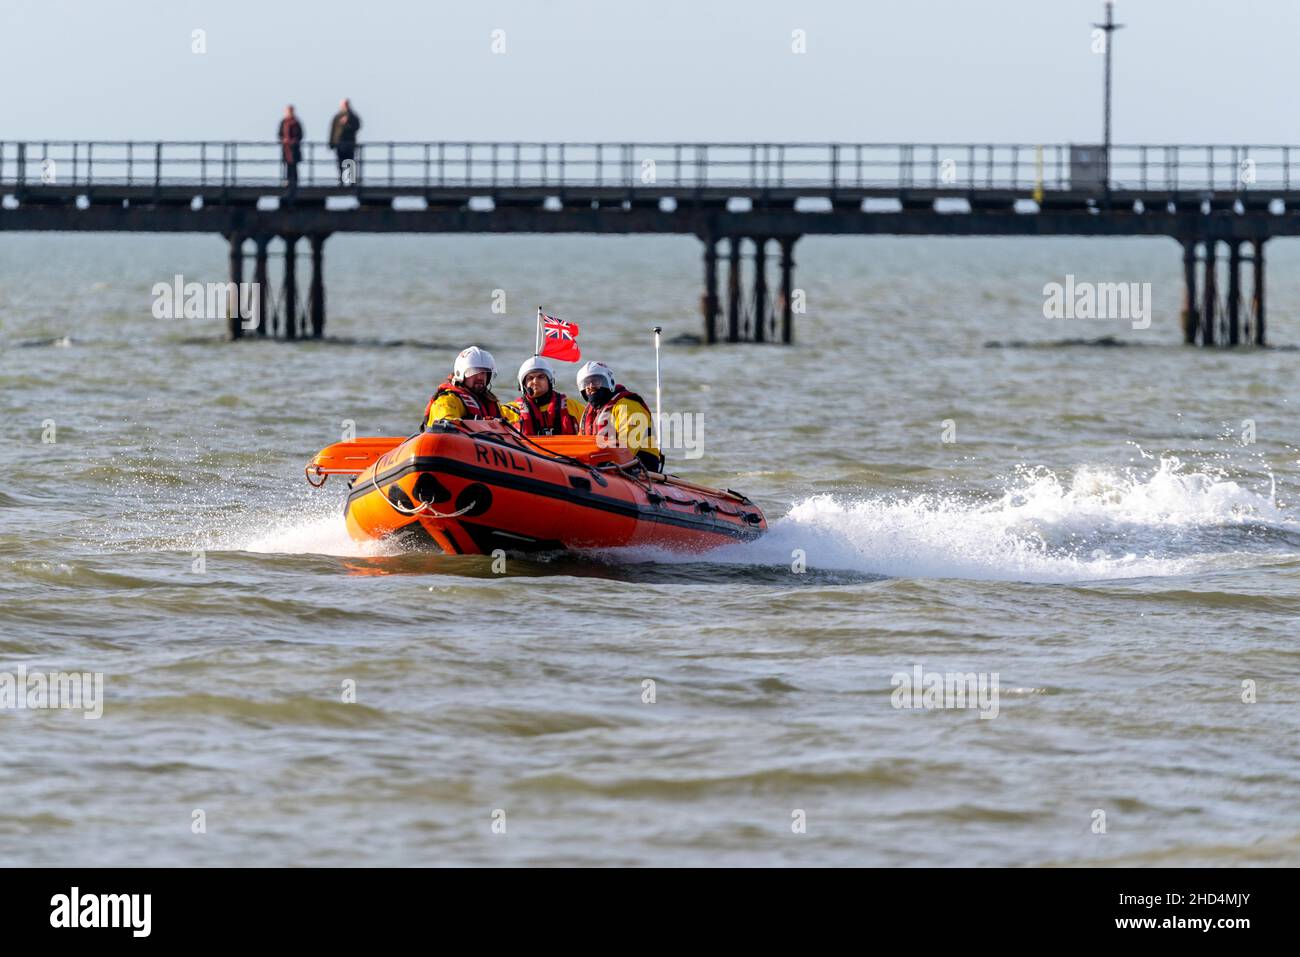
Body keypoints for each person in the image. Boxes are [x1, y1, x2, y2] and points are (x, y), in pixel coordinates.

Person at [575, 361, 663, 471]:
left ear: (607, 381)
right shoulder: (589, 412)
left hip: (638, 464)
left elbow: (628, 447)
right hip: (600, 465)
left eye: (595, 381)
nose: (590, 386)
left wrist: (609, 463)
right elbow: (580, 444)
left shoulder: (627, 404)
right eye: (586, 383)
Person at [423, 346, 518, 428]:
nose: (480, 377)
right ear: (461, 374)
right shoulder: (447, 400)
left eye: (484, 373)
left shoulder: (490, 401)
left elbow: (507, 419)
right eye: (474, 372)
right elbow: (446, 424)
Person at [509, 356, 584, 436]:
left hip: (566, 448)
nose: (535, 381)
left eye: (540, 377)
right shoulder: (512, 410)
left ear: (550, 381)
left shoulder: (572, 407)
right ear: (523, 385)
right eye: (530, 378)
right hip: (525, 448)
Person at [328, 99, 362, 184]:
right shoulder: (337, 117)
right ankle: (341, 180)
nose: (345, 106)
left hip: (349, 143)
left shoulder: (353, 116)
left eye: (346, 105)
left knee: (350, 161)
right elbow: (332, 130)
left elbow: (357, 126)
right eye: (343, 105)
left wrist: (348, 122)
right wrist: (331, 143)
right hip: (339, 143)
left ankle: (351, 181)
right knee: (340, 161)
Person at [277, 105, 304, 192]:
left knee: (294, 165)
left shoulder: (296, 122)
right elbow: (280, 134)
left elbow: (300, 135)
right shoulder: (283, 122)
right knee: (287, 165)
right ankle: (287, 181)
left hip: (294, 148)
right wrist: (283, 140)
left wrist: (294, 140)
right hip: (286, 148)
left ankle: (295, 181)